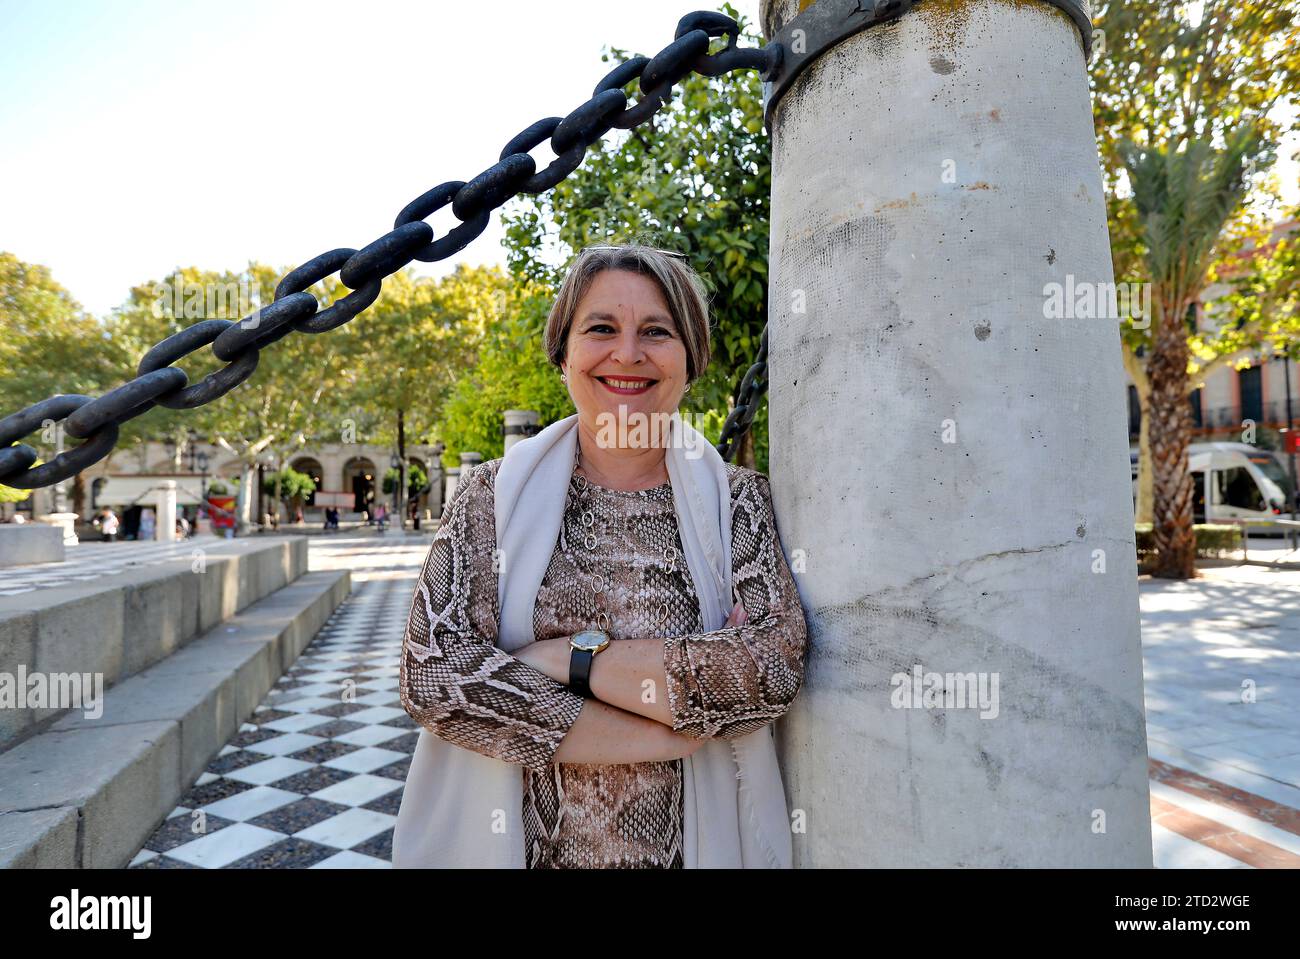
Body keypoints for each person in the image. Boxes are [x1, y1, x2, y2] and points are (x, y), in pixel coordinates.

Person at [393, 244, 809, 869]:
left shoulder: (739, 503)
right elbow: (434, 680)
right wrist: (664, 735)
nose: (628, 354)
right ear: (563, 355)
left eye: (656, 332)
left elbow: (770, 669)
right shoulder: (492, 498)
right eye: (601, 329)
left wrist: (566, 660)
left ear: (690, 361)